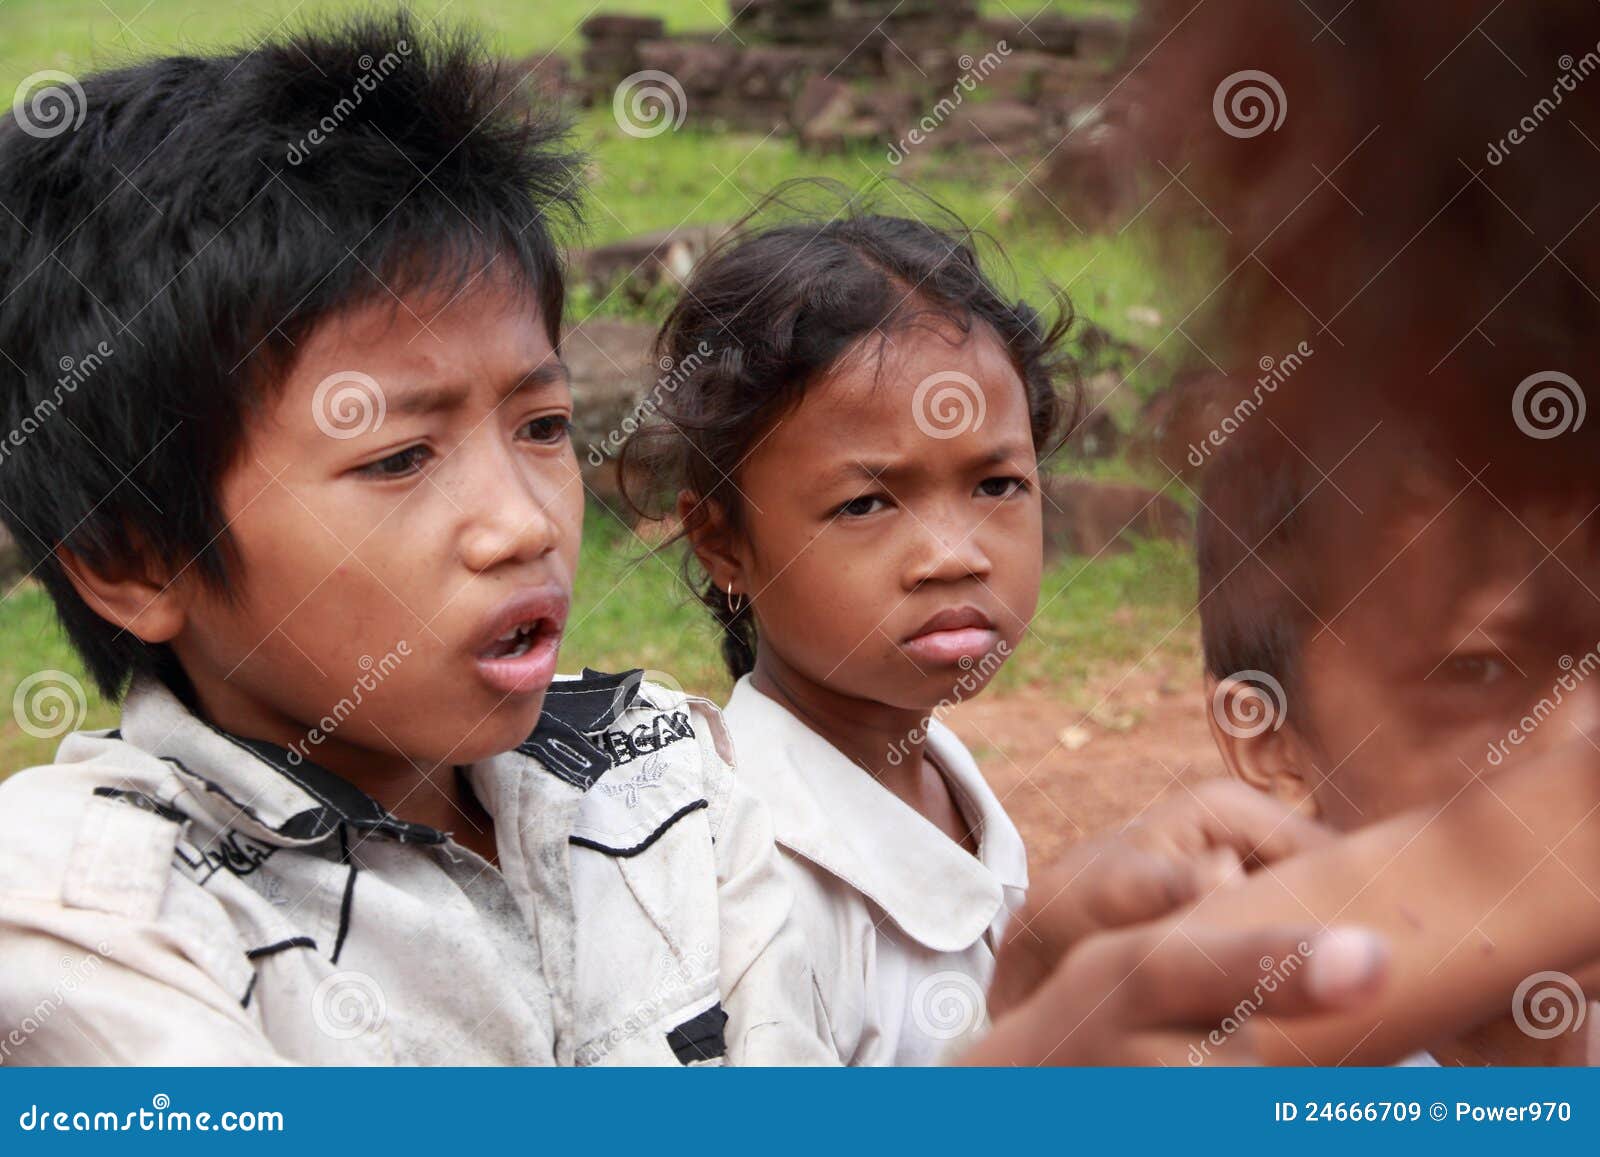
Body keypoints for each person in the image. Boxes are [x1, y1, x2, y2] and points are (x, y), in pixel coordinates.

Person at [624, 193, 1064, 1062]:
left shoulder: (937, 770)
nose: (954, 555)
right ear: (723, 542)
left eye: (996, 485)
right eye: (866, 502)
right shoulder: (757, 885)